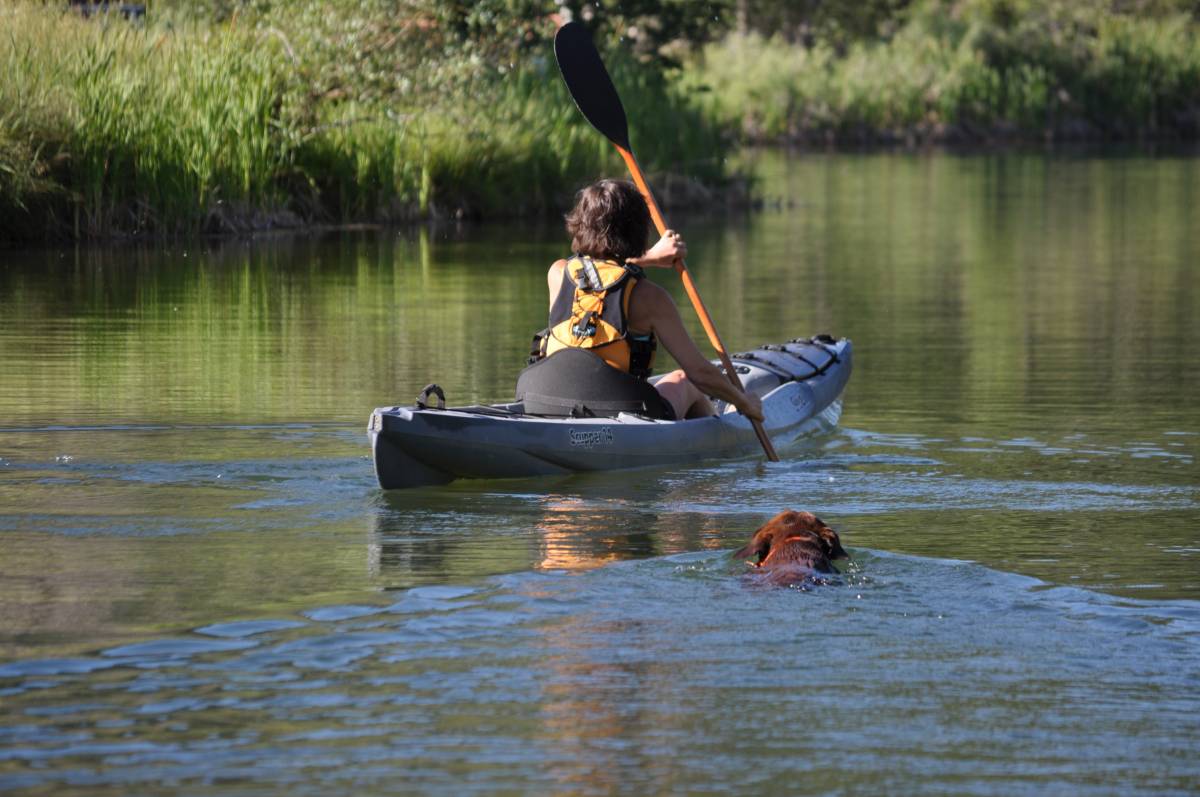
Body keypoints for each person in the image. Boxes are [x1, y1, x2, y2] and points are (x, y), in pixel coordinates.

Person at [516, 179, 764, 423]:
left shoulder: (557, 273)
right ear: (637, 229)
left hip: (540, 394)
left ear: (580, 224)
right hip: (616, 408)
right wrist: (743, 402)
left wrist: (649, 258)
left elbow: (595, 274)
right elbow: (699, 372)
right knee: (684, 381)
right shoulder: (650, 298)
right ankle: (716, 443)